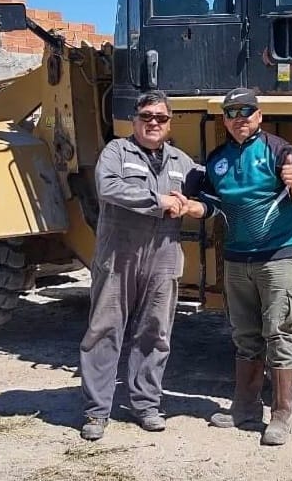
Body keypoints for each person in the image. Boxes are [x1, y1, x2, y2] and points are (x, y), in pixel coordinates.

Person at [78, 90, 208, 441]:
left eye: (161, 118)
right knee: (104, 331)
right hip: (119, 255)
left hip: (164, 256)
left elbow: (208, 194)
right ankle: (96, 411)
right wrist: (157, 200)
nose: (153, 123)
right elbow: (107, 188)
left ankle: (147, 404)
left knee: (155, 333)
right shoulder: (116, 152)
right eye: (146, 116)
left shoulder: (182, 162)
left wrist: (200, 208)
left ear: (169, 123)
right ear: (134, 121)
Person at [195, 87, 292, 446]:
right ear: (224, 120)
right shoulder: (216, 160)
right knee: (244, 335)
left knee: (278, 332)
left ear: (259, 115)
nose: (240, 118)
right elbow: (210, 204)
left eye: (247, 111)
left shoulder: (280, 150)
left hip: (277, 257)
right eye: (232, 113)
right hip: (237, 259)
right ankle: (244, 407)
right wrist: (190, 206)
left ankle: (280, 416)